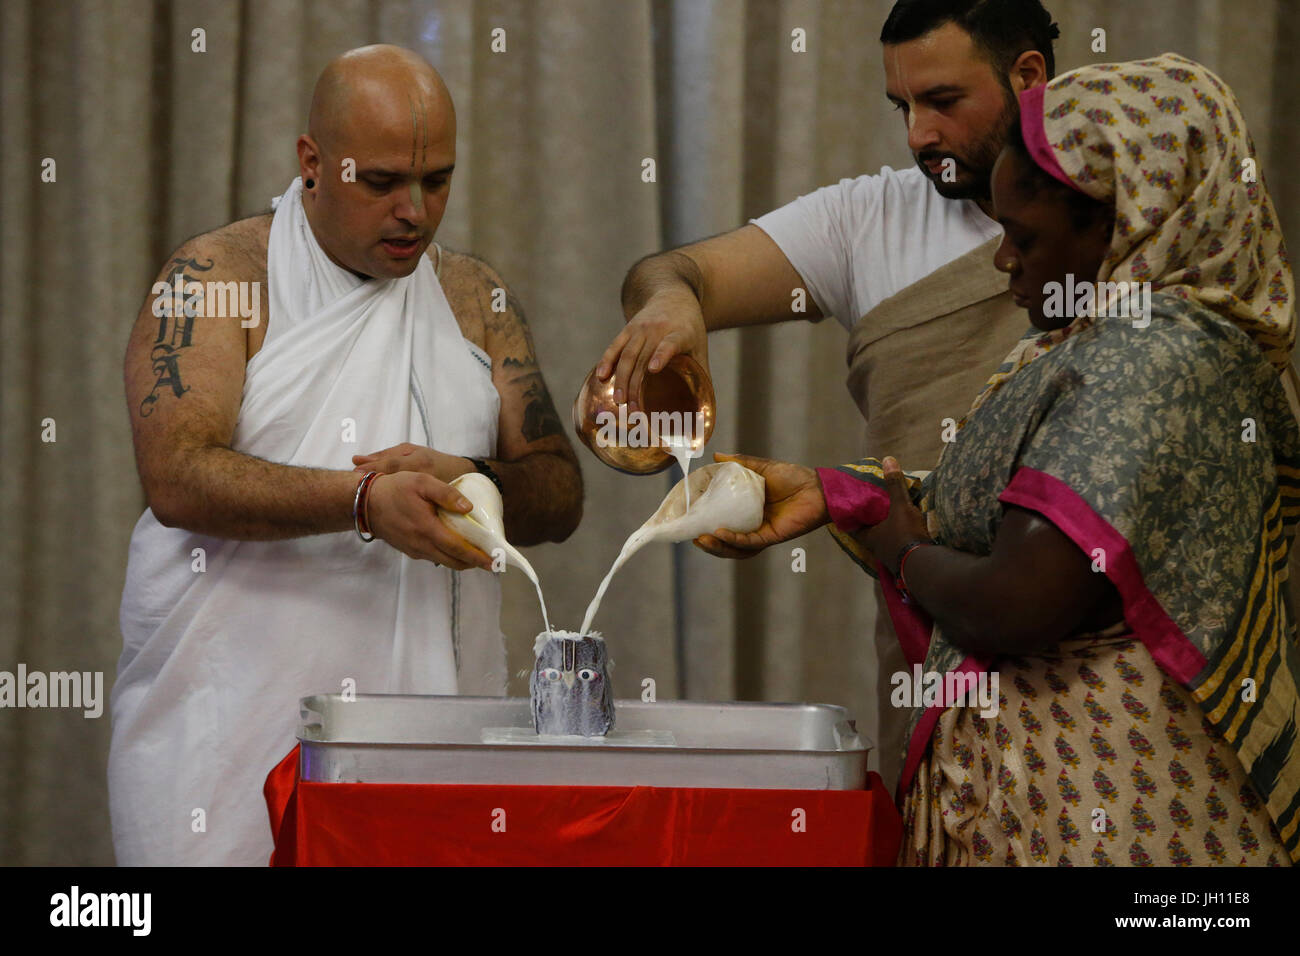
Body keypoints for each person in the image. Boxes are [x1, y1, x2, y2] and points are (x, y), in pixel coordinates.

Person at [706, 53, 1300, 865]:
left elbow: (1021, 599)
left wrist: (901, 549)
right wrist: (837, 493)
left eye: (1024, 237)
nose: (1003, 260)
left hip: (1116, 818)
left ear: (1125, 225)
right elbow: (1016, 512)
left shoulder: (1149, 357)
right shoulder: (1102, 343)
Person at [111, 45, 583, 866]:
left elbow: (559, 492)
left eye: (437, 180)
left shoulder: (474, 298)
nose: (415, 212)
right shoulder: (218, 279)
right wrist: (364, 502)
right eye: (383, 182)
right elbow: (177, 476)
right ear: (313, 163)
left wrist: (477, 481)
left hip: (428, 746)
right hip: (222, 742)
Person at [598, 0, 1061, 790]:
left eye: (942, 101)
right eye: (901, 107)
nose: (917, 135)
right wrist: (672, 304)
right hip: (933, 651)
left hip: (1105, 670)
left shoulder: (1127, 224)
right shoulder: (867, 219)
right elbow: (676, 270)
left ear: (1028, 77)